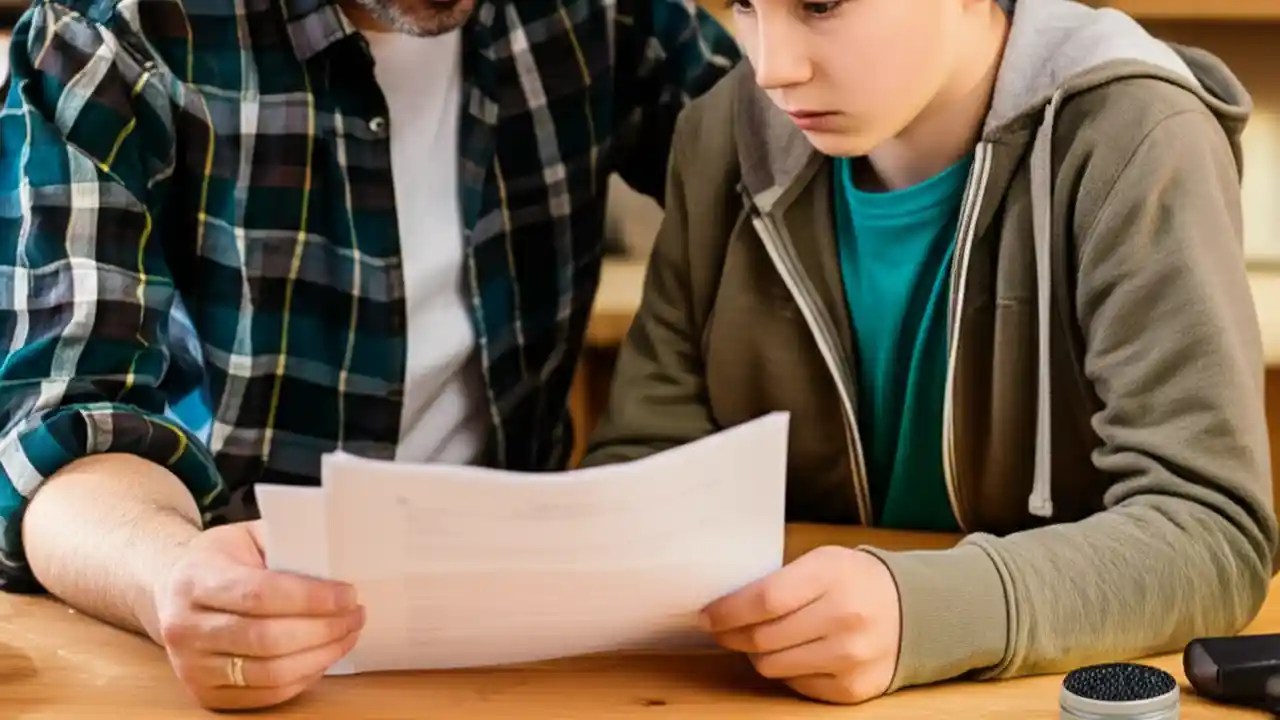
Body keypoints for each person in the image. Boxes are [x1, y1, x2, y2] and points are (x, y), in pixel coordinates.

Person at [0, 0, 738, 709]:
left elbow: (798, 179)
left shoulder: (608, 15)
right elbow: (62, 429)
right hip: (225, 636)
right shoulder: (111, 32)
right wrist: (170, 576)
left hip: (521, 639)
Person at [583, 0, 1278, 706]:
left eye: (820, 6)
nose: (771, 67)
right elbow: (642, 474)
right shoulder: (718, 136)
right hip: (772, 692)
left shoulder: (1138, 135)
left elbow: (1210, 531)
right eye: (744, 6)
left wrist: (925, 611)